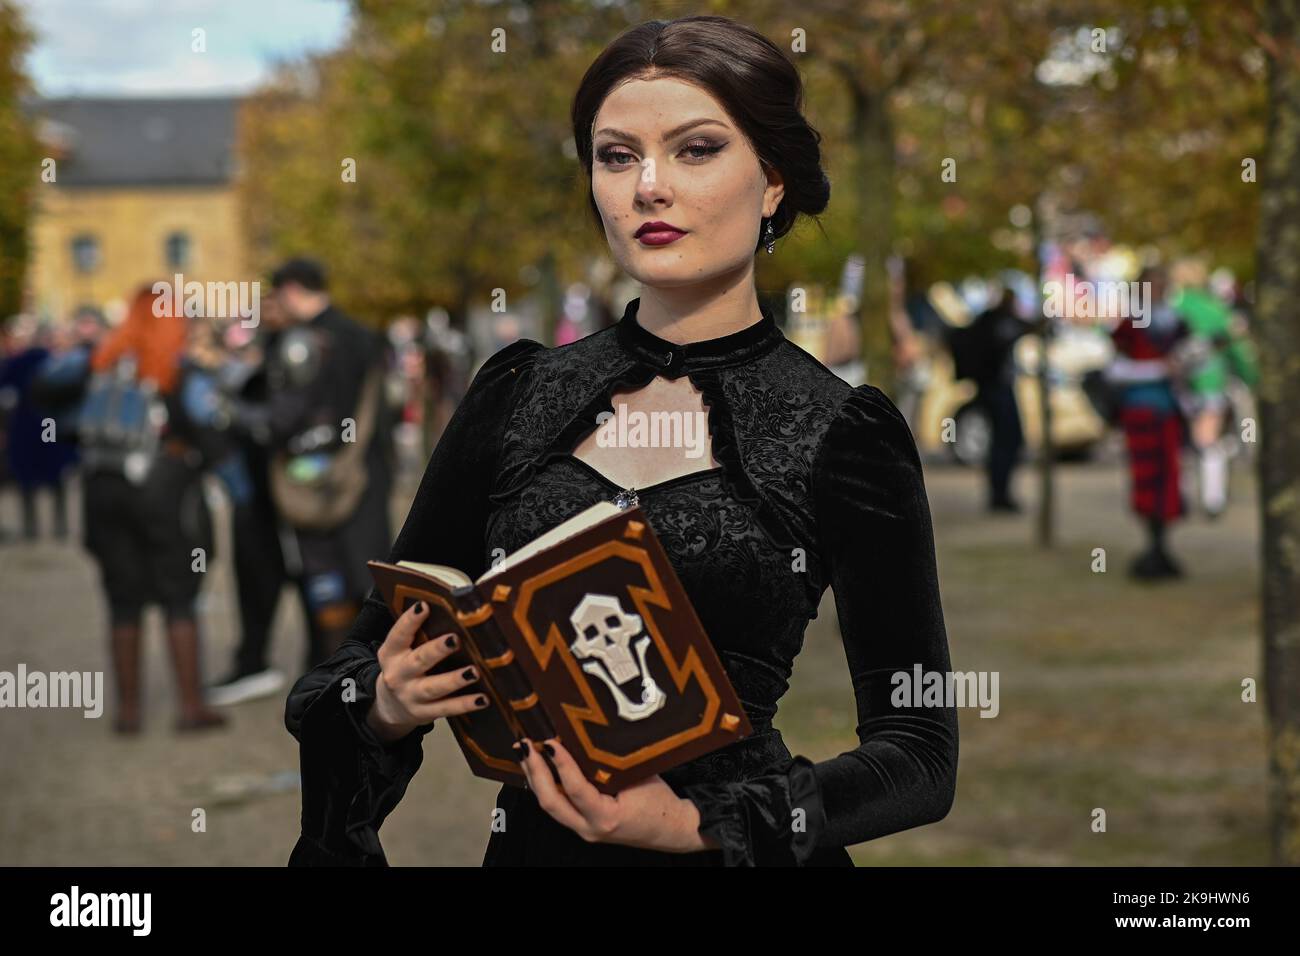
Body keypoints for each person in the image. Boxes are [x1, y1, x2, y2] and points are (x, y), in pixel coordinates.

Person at [285, 14, 958, 866]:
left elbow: (920, 751)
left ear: (775, 179)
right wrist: (385, 701)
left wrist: (700, 825)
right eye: (616, 156)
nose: (648, 186)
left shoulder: (843, 429)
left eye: (696, 149)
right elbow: (365, 651)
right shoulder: (517, 392)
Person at [81, 285, 227, 733]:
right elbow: (212, 434)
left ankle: (128, 713)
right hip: (163, 492)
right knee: (179, 597)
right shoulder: (178, 370)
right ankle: (190, 706)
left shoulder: (104, 364)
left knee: (122, 603)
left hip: (103, 491)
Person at [259, 258, 394, 673]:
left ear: (293, 290)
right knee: (370, 577)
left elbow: (284, 416)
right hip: (365, 470)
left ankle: (336, 668)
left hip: (316, 476)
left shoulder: (300, 342)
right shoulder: (364, 336)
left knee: (326, 578)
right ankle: (376, 667)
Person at [1107, 266, 1189, 579]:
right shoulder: (1130, 324)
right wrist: (1158, 369)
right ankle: (1153, 549)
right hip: (1141, 411)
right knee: (1147, 479)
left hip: (1168, 412)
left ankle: (1160, 547)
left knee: (1168, 480)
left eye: (1163, 285)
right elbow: (1114, 370)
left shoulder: (1175, 323)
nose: (1160, 290)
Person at [961, 287, 1037, 512]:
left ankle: (999, 492)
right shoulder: (998, 322)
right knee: (1006, 439)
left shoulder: (993, 321)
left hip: (993, 387)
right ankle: (999, 493)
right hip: (996, 388)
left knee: (1004, 440)